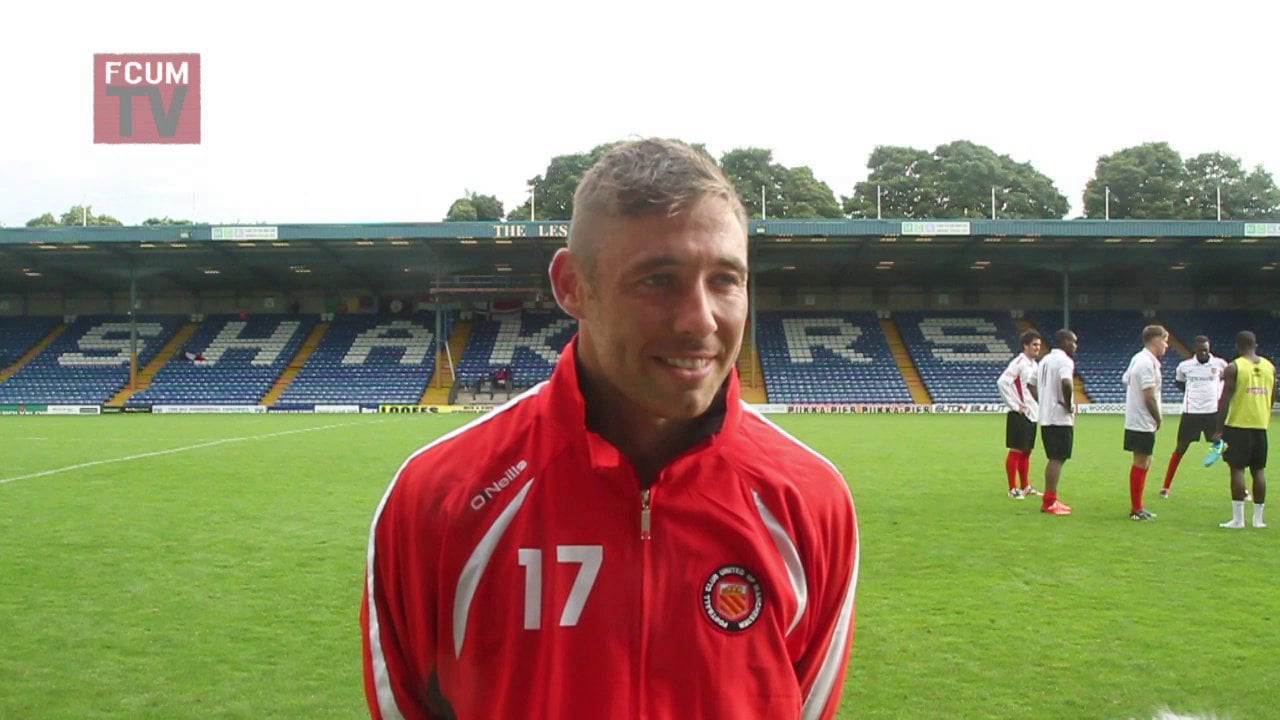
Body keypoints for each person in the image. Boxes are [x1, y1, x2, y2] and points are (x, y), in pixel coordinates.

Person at [361, 139, 859, 720]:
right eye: (657, 280)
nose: (700, 320)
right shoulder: (439, 497)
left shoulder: (811, 501)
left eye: (725, 279)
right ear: (572, 285)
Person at [1212, 331, 1276, 529]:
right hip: (1260, 426)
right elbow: (1273, 396)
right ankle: (1258, 520)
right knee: (1259, 470)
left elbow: (1225, 399)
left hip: (1238, 425)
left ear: (1238, 346)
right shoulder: (1269, 367)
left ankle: (1238, 519)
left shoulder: (1234, 367)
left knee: (1237, 469)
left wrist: (1218, 429)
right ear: (1255, 344)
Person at [1161, 336, 1228, 498]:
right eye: (1200, 350)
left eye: (1206, 349)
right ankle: (1166, 487)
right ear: (1195, 350)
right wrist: (1193, 395)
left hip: (1213, 413)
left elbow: (1227, 382)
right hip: (1191, 413)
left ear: (1209, 348)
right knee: (1180, 449)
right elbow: (1179, 382)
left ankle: (1243, 489)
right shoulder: (1185, 366)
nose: (1204, 352)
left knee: (1226, 451)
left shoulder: (1220, 364)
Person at [1121, 325, 1169, 520]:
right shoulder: (1145, 363)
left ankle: (1139, 506)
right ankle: (1136, 508)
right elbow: (1149, 396)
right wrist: (1157, 418)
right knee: (1141, 461)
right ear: (1156, 340)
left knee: (1145, 461)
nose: (1167, 345)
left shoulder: (1138, 359)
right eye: (1165, 340)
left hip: (1138, 419)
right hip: (1142, 420)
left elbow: (1126, 379)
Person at [1035, 328, 1078, 515]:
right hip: (1059, 418)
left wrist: (1043, 400)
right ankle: (1049, 501)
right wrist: (1068, 405)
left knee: (1055, 457)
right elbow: (1067, 383)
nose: (1075, 346)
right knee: (1057, 458)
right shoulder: (1064, 361)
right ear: (1064, 342)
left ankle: (1050, 499)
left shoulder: (1044, 360)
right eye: (1073, 342)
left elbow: (1030, 383)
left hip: (1046, 416)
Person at [997, 329, 1042, 499]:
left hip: (1032, 413)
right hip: (1019, 414)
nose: (1037, 348)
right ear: (1025, 346)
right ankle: (1012, 488)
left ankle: (1025, 486)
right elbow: (1002, 382)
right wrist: (1015, 405)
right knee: (1016, 450)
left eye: (1038, 345)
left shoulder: (1034, 365)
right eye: (1034, 345)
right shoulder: (1019, 362)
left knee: (1026, 451)